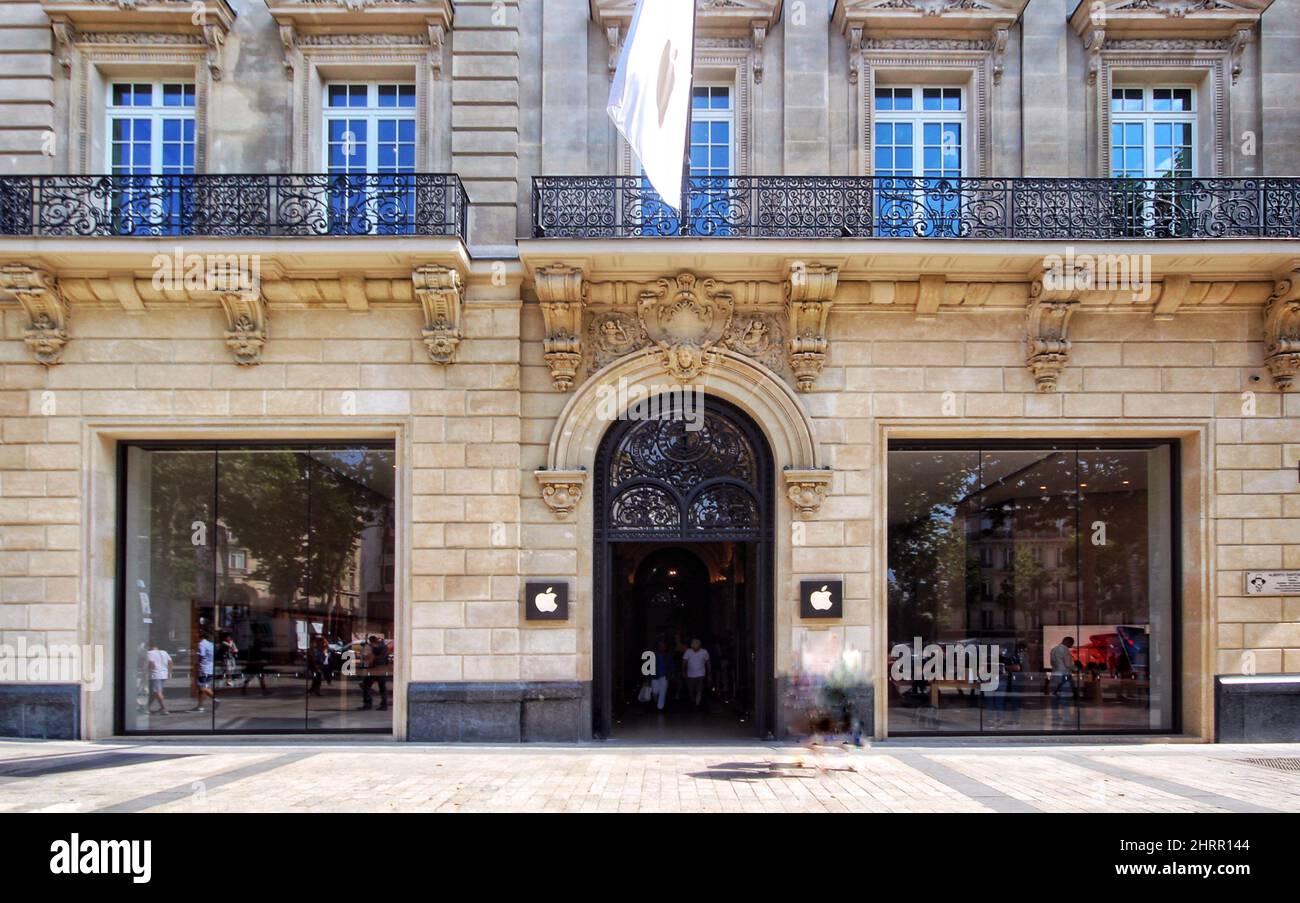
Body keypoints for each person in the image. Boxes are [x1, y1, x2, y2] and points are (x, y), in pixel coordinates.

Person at [1049, 636, 1077, 716]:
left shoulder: (1053, 649)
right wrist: (1075, 669)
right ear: (1067, 642)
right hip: (1064, 674)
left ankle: (1055, 715)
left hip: (1055, 674)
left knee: (1055, 695)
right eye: (1071, 643)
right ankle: (1066, 715)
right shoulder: (1065, 650)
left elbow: (1052, 663)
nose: (1071, 645)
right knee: (1065, 695)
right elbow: (1068, 664)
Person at [359, 635, 389, 711]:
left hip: (376, 669)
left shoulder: (378, 647)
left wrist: (372, 649)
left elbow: (376, 656)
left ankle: (369, 704)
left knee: (368, 685)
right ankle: (383, 704)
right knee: (380, 687)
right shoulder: (382, 647)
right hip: (379, 669)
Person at [189, 630, 216, 713]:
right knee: (202, 689)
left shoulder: (201, 644)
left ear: (199, 636)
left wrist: (195, 668)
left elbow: (200, 657)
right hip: (210, 669)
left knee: (202, 687)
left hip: (203, 669)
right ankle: (200, 706)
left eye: (195, 634)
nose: (194, 636)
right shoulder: (210, 644)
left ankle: (216, 699)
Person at [681, 637, 710, 710]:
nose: (695, 649)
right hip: (690, 675)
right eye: (694, 648)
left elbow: (708, 663)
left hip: (700, 674)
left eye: (696, 648)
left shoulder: (704, 652)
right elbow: (684, 662)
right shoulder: (688, 651)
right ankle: (693, 700)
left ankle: (697, 704)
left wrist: (709, 674)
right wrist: (683, 672)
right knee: (690, 690)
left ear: (699, 646)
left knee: (699, 690)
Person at [146, 642, 172, 715]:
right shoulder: (164, 652)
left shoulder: (149, 653)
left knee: (157, 692)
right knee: (154, 692)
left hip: (155, 675)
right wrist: (169, 672)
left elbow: (151, 664)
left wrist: (147, 673)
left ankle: (164, 708)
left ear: (149, 646)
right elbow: (170, 662)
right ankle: (146, 707)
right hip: (164, 674)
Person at [651, 639, 670, 712]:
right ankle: (657, 705)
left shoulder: (668, 655)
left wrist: (671, 673)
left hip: (664, 676)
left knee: (663, 692)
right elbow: (649, 666)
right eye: (661, 645)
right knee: (655, 692)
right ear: (658, 646)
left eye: (664, 646)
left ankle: (660, 708)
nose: (663, 647)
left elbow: (671, 665)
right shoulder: (653, 654)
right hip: (655, 676)